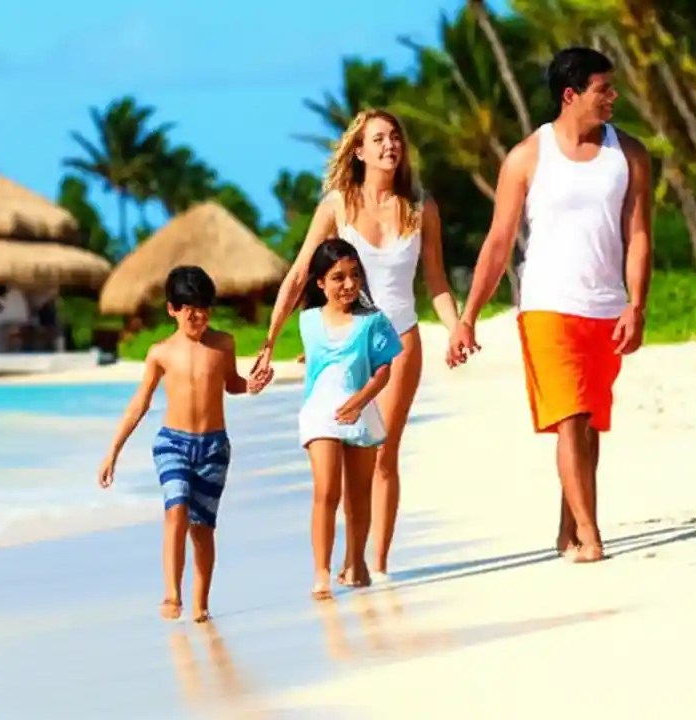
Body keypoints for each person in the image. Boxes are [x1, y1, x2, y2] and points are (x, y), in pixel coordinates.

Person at [447, 47, 653, 563]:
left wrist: (637, 304)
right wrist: (468, 316)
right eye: (603, 89)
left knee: (588, 425)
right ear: (571, 95)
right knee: (570, 416)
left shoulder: (629, 155)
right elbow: (499, 242)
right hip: (546, 303)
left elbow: (639, 233)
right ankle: (589, 534)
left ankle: (568, 528)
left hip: (605, 307)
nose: (613, 97)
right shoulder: (527, 156)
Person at [251, 108, 460, 585]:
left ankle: (374, 563)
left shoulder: (420, 206)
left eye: (396, 138)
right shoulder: (337, 206)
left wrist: (455, 329)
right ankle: (346, 560)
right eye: (380, 139)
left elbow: (437, 282)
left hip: (400, 338)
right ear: (360, 151)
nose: (391, 145)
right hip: (342, 344)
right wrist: (270, 339)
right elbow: (301, 272)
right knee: (341, 452)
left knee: (383, 452)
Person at [98, 266, 271, 622]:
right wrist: (112, 451)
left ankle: (200, 602)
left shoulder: (223, 344)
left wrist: (250, 385)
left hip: (213, 448)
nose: (199, 316)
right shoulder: (160, 352)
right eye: (190, 308)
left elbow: (232, 384)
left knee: (203, 529)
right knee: (175, 509)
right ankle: (171, 593)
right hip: (172, 444)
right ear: (172, 310)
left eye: (204, 307)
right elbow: (140, 403)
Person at [297, 239, 402, 601]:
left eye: (355, 275)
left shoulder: (374, 321)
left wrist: (359, 401)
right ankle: (322, 571)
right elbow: (319, 359)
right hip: (319, 416)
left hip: (361, 414)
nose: (348, 284)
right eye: (338, 277)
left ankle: (356, 562)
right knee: (327, 490)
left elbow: (384, 370)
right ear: (320, 283)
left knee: (358, 497)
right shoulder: (308, 321)